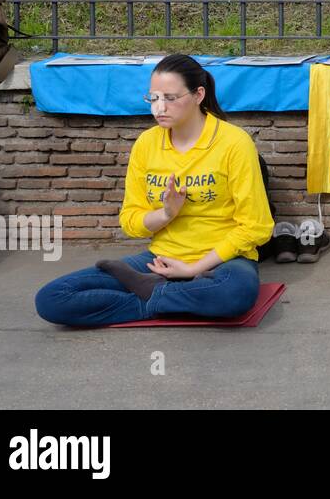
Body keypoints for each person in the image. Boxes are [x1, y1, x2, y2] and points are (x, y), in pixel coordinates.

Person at [35, 54, 274, 326]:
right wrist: (166, 214)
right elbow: (130, 221)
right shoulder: (146, 144)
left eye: (170, 98)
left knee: (234, 294)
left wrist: (194, 268)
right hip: (158, 261)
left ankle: (152, 297)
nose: (160, 108)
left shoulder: (234, 143)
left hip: (223, 262)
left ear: (198, 95)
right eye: (153, 98)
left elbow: (257, 226)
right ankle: (168, 296)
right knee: (52, 298)